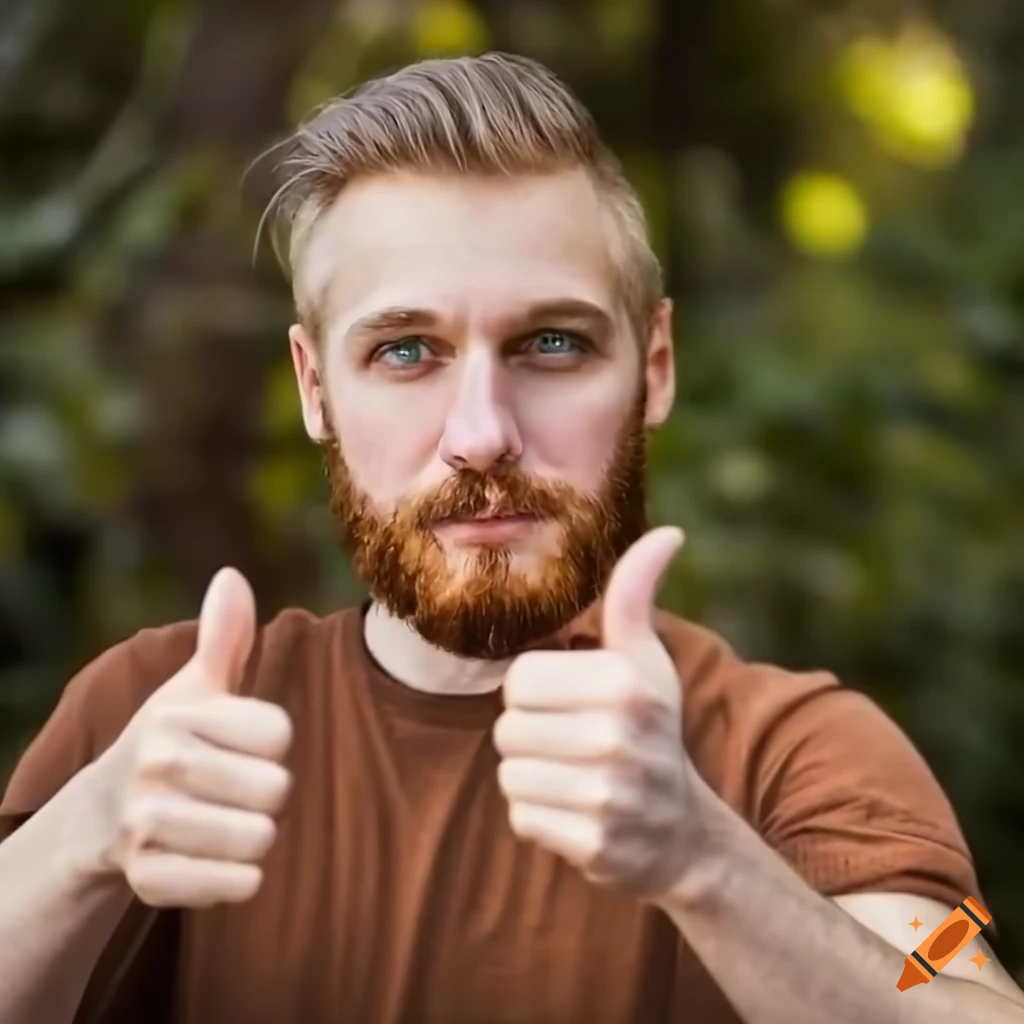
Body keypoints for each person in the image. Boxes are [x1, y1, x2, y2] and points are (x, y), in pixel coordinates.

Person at [0, 52, 1021, 1024]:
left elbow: (955, 979)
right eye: (406, 351)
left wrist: (709, 864)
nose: (482, 432)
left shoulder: (796, 753)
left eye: (551, 344)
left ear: (653, 366)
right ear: (316, 388)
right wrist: (84, 841)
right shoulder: (155, 723)